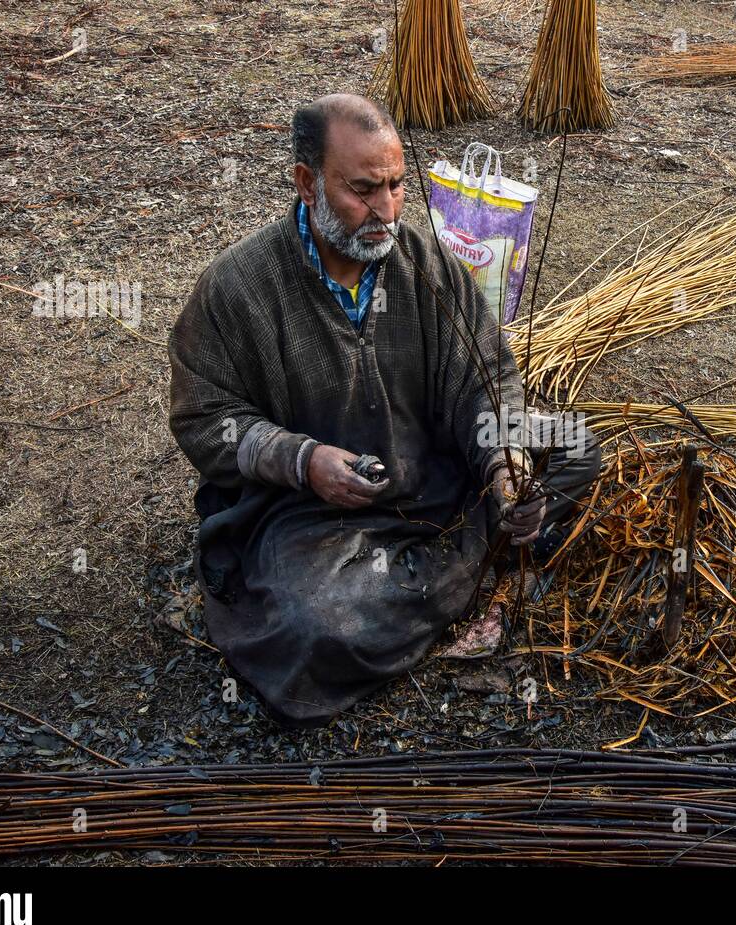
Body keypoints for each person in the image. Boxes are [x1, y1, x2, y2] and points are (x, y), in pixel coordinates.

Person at [168, 94, 602, 726]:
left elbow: (484, 381)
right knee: (315, 627)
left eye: (398, 186)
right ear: (306, 182)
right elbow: (204, 419)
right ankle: (475, 572)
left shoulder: (426, 266)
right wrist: (303, 459)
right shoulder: (237, 289)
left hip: (435, 475)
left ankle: (445, 569)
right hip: (313, 517)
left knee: (574, 444)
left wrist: (504, 468)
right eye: (364, 190)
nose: (387, 211)